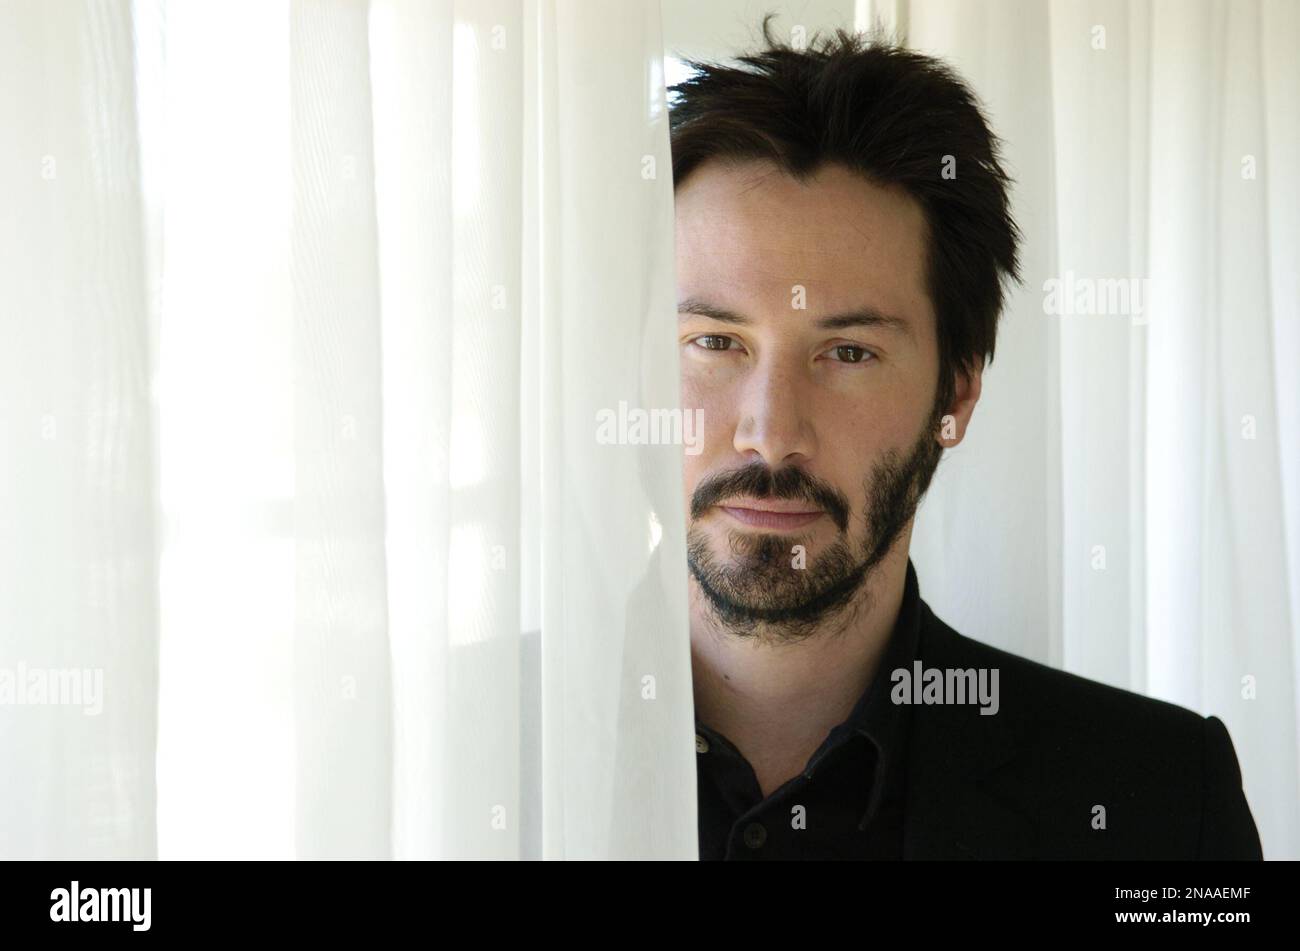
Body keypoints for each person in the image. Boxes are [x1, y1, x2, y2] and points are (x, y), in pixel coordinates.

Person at [669, 20, 1262, 860]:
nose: (770, 433)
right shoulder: (458, 750)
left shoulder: (1163, 800)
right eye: (715, 342)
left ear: (956, 390)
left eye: (848, 353)